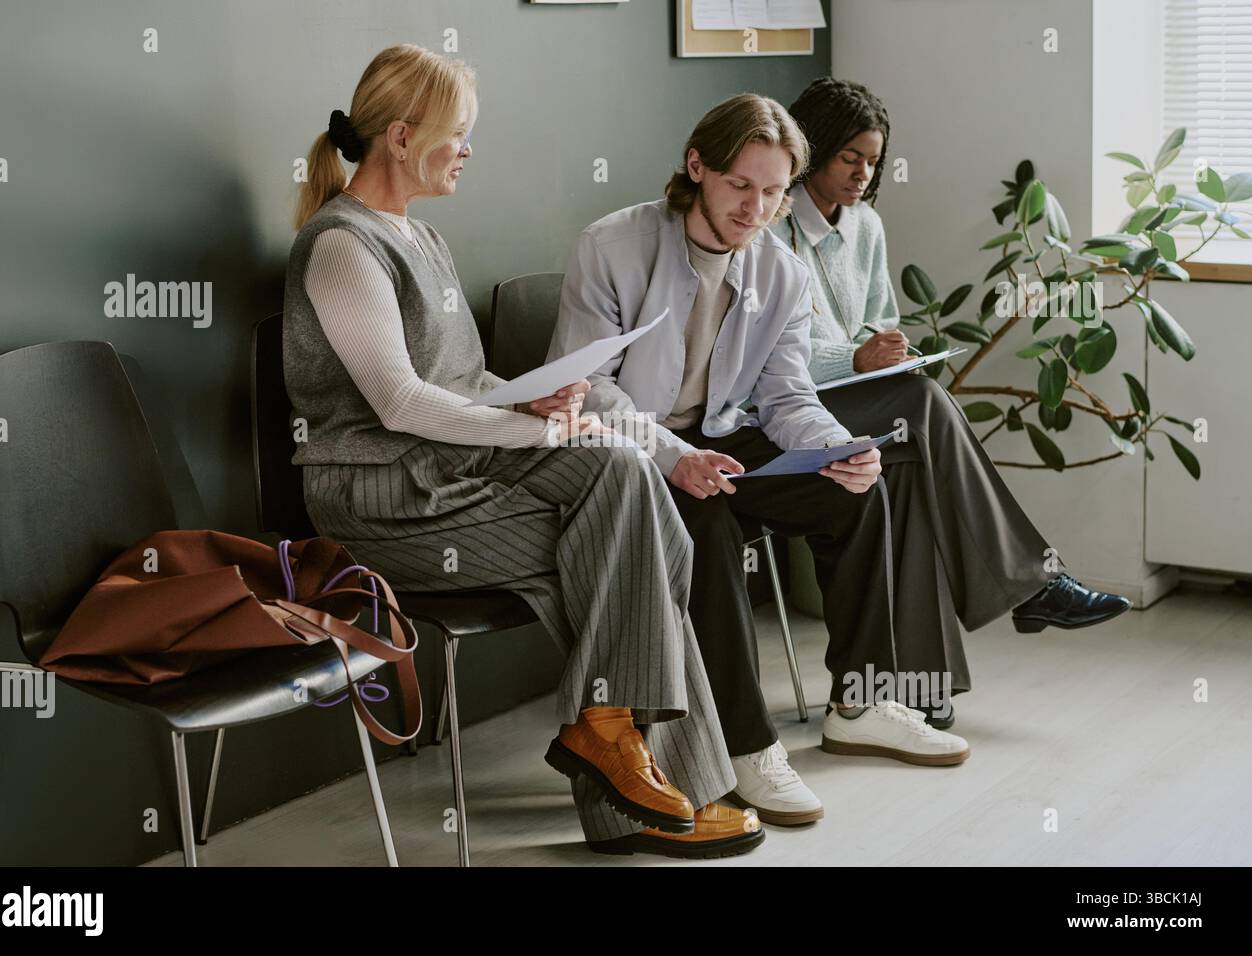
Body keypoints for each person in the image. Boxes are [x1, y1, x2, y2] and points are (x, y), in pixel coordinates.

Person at [283, 44, 761, 859]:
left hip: (452, 475)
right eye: (458, 133)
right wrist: (537, 429)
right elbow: (399, 401)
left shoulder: (422, 237)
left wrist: (534, 398)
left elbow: (460, 378)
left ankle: (616, 746)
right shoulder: (342, 246)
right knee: (625, 538)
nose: (470, 150)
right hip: (384, 500)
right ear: (401, 138)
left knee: (622, 487)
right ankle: (648, 777)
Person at [772, 76, 1131, 720]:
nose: (862, 174)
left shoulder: (866, 227)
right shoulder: (768, 227)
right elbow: (762, 353)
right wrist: (852, 358)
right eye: (849, 157)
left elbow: (876, 320)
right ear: (813, 147)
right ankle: (1032, 584)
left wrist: (887, 349)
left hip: (857, 397)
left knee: (909, 461)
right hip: (788, 405)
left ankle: (919, 686)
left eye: (873, 162)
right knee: (924, 404)